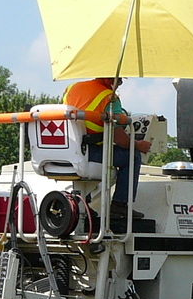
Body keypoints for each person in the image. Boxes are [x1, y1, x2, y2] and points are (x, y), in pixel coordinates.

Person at [61, 77, 151, 230]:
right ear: (108, 77)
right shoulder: (109, 98)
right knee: (132, 157)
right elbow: (120, 139)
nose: (120, 82)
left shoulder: (72, 88)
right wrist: (137, 144)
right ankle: (119, 205)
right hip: (88, 151)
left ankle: (83, 203)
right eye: (118, 79)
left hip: (65, 151)